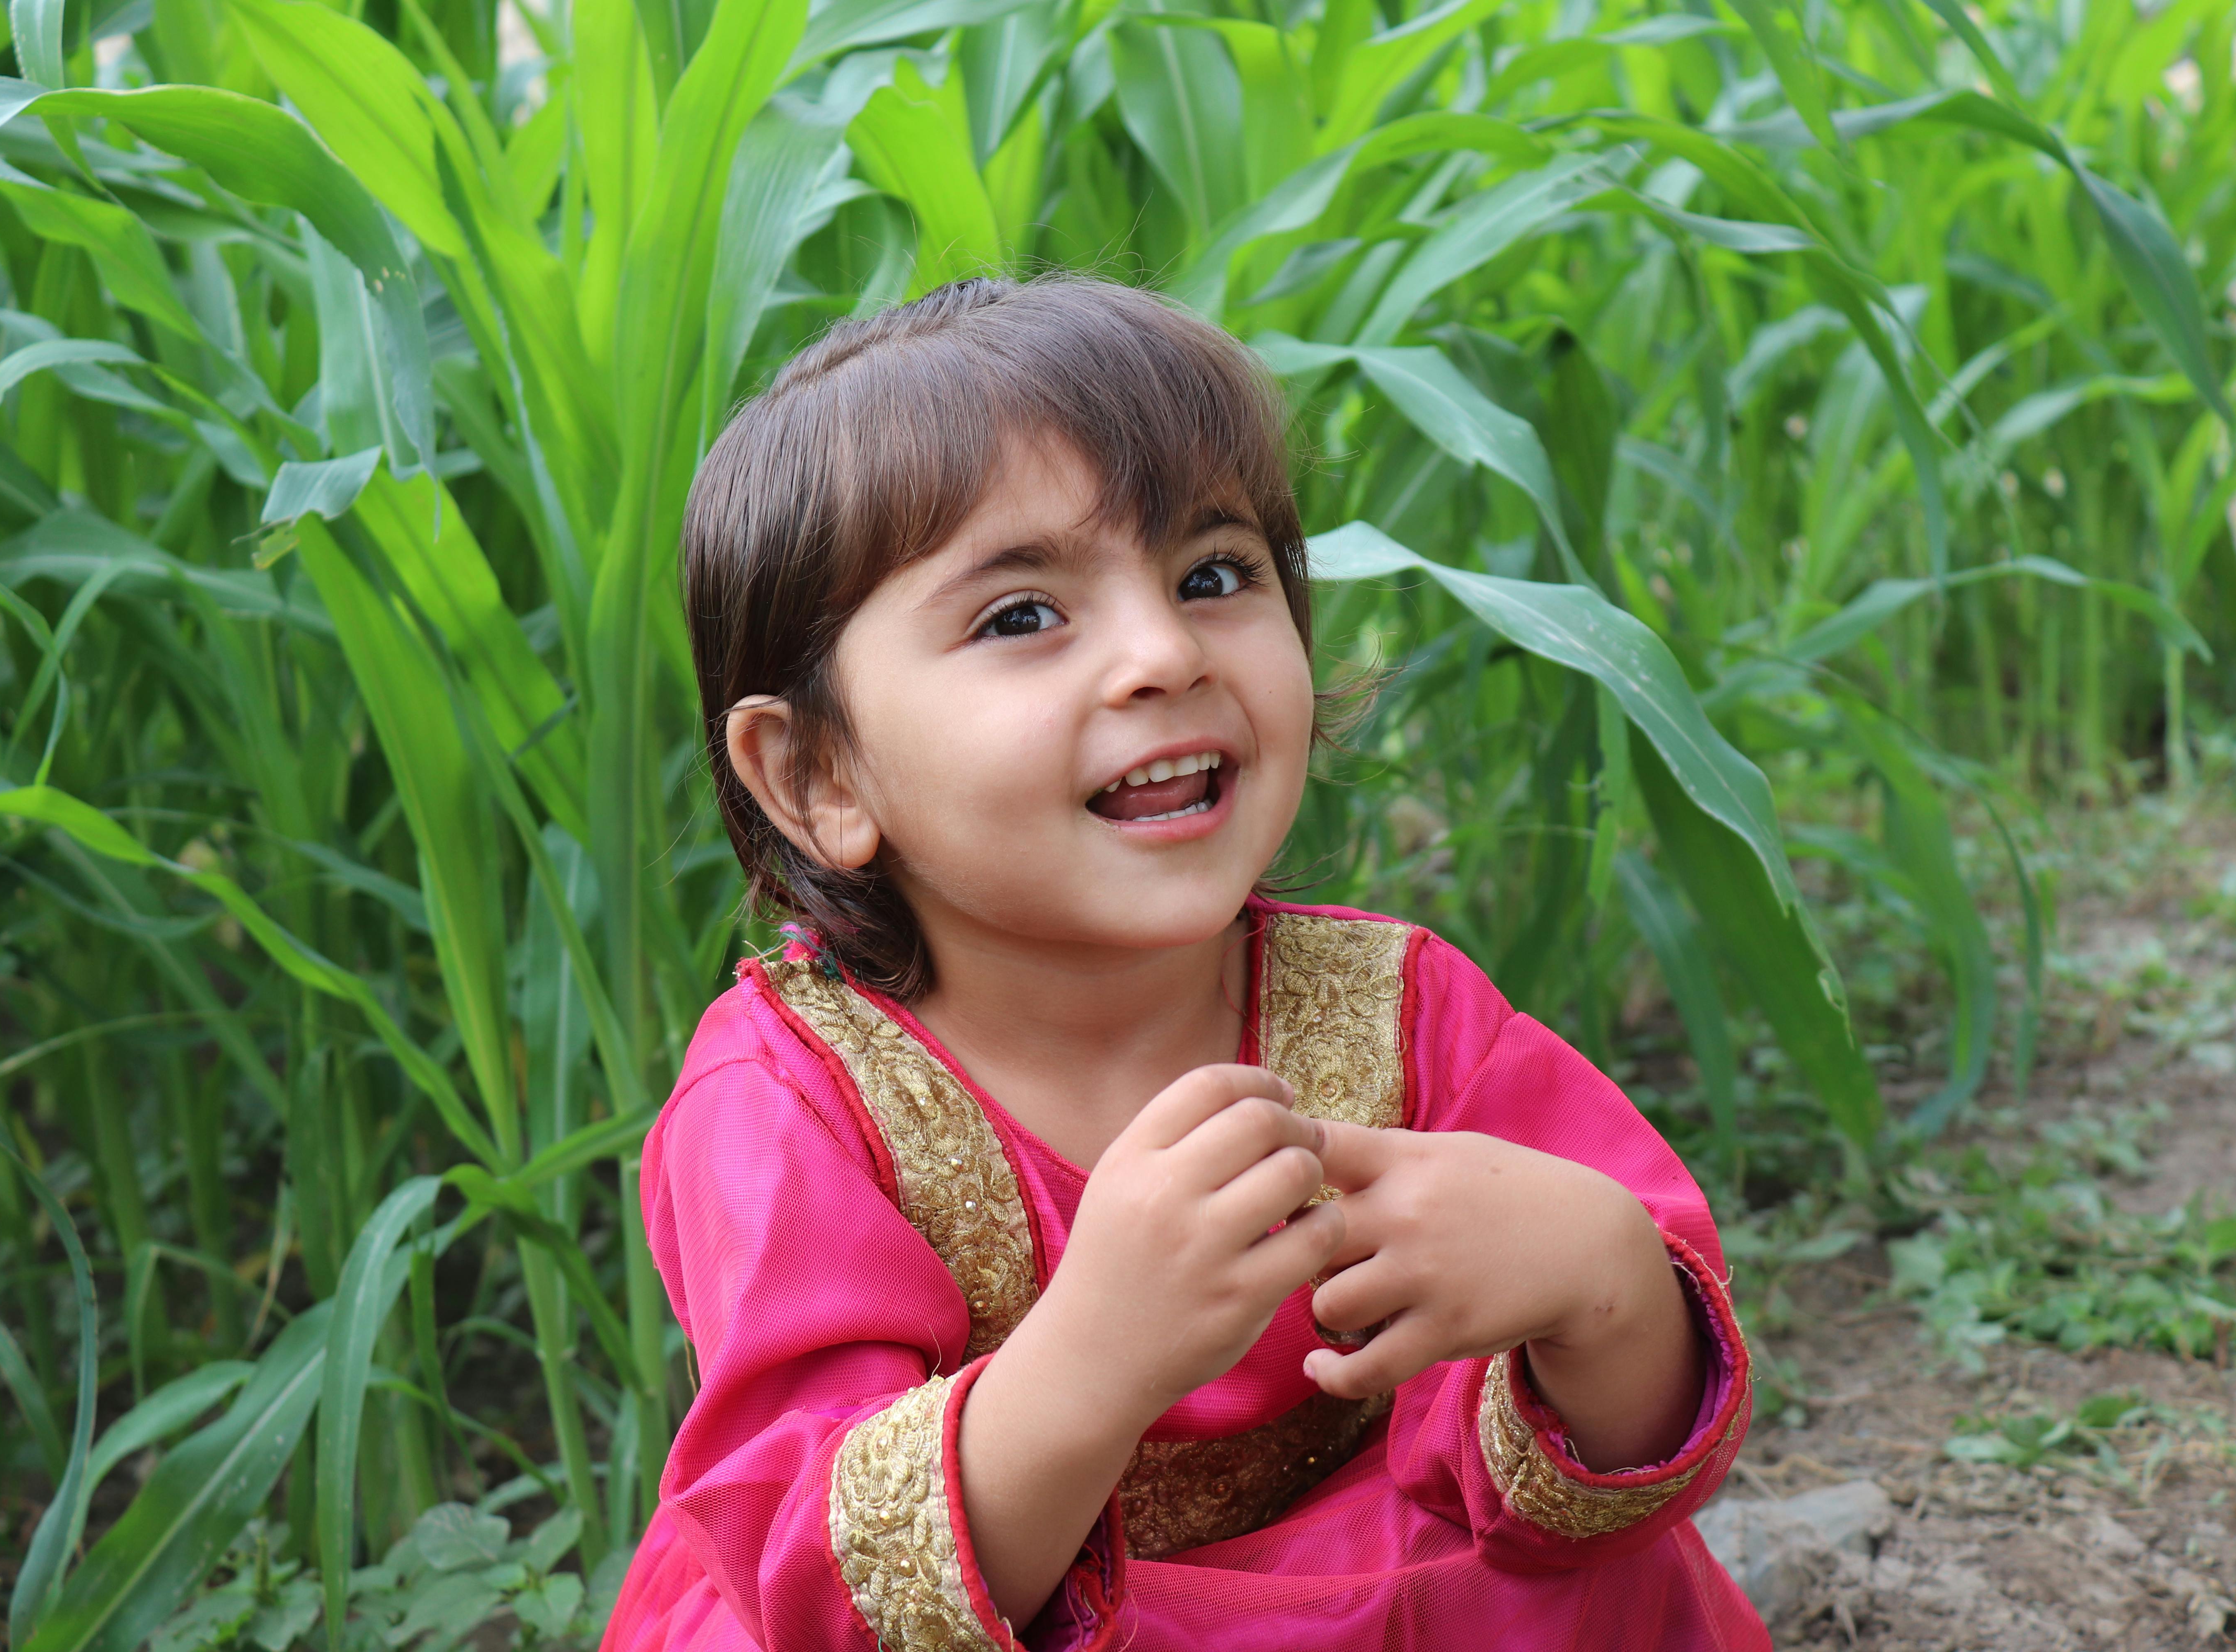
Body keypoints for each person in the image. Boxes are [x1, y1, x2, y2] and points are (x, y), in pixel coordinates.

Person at [600, 277, 1763, 1652]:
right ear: (818, 774)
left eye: (1214, 577)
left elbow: (1591, 1484)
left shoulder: (1406, 1017)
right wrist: (1093, 1355)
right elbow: (822, 1587)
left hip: (1371, 1584)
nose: (1163, 654)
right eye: (1023, 616)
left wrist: (1601, 1285)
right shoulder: (789, 1106)